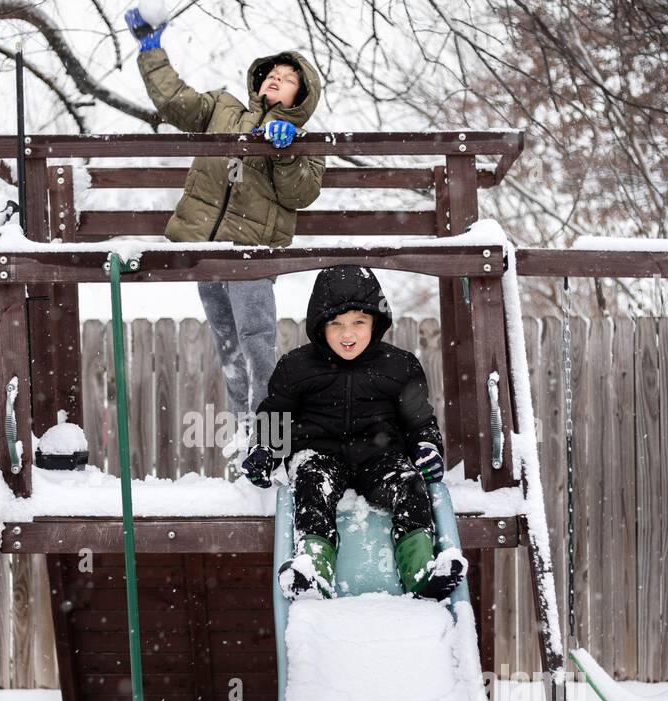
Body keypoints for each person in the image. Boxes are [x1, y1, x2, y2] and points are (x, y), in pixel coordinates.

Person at [125, 7, 324, 463]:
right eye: (271, 73)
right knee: (228, 345)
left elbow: (301, 194)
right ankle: (243, 439)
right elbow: (175, 102)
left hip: (251, 253)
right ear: (258, 83)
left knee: (257, 345)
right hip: (207, 250)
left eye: (287, 78)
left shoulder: (303, 141)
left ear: (301, 95)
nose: (275, 79)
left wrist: (286, 149)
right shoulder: (222, 108)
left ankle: (270, 443)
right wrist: (151, 52)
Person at [241, 265, 466, 602]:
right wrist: (263, 450)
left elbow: (420, 422)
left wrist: (426, 447)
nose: (348, 335)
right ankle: (313, 569)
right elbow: (275, 416)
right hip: (319, 456)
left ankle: (420, 569)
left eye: (358, 322)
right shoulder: (296, 367)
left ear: (376, 323)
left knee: (410, 485)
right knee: (311, 483)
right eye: (336, 324)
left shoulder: (399, 367)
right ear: (320, 326)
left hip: (380, 457)